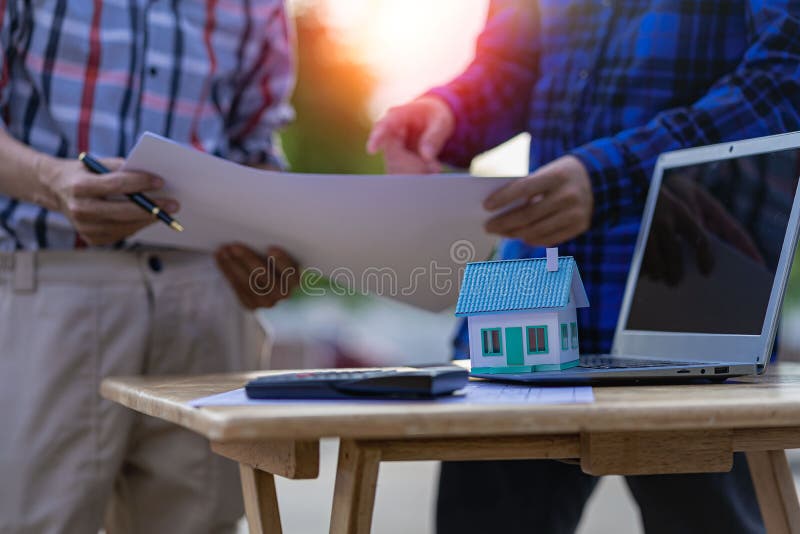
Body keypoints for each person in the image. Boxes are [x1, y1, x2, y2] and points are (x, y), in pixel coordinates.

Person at [368, 1, 800, 533]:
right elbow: (509, 66)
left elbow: (786, 76)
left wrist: (613, 176)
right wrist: (449, 112)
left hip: (692, 306)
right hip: (530, 304)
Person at [0, 2, 299, 533]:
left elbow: (255, 142)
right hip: (50, 291)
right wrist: (50, 180)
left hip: (206, 295)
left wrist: (278, 239)